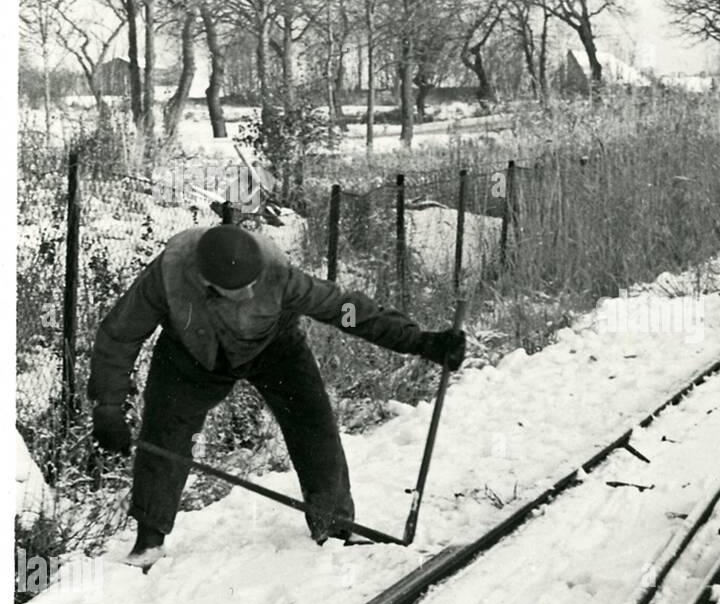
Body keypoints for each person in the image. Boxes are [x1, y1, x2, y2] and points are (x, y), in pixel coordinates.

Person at [87, 224, 467, 568]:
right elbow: (122, 333)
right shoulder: (168, 273)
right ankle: (148, 543)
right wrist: (107, 404)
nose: (252, 291)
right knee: (163, 433)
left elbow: (344, 311)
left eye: (254, 283)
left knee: (314, 425)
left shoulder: (278, 273)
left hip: (275, 349)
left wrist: (420, 341)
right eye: (241, 290)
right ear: (208, 282)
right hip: (190, 357)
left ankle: (334, 525)